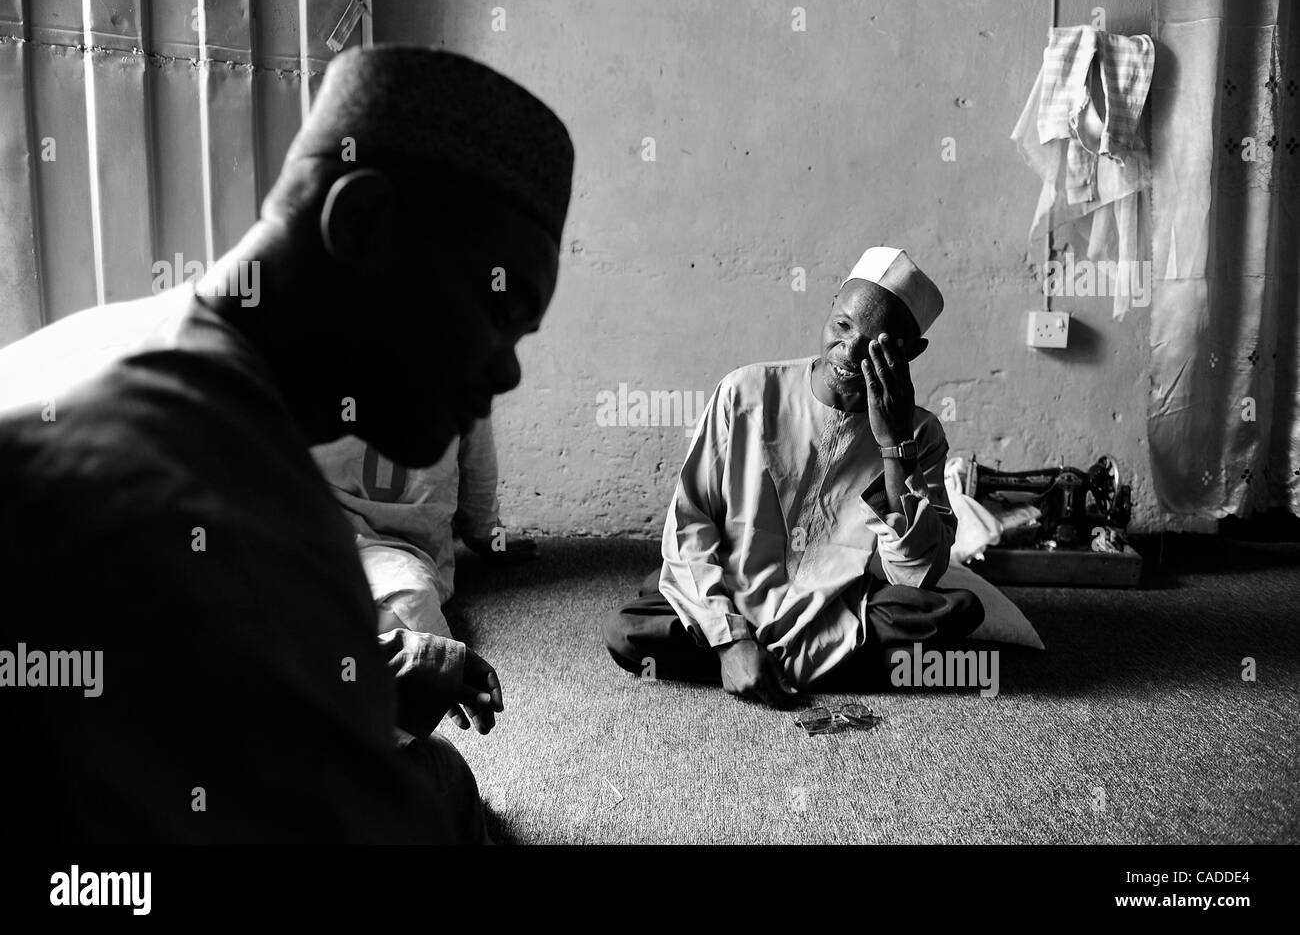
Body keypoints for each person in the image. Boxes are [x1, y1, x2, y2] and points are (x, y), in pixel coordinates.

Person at [0, 45, 573, 843]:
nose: (508, 371)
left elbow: (181, 664)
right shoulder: (230, 505)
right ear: (362, 221)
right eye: (501, 312)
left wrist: (401, 664)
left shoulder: (104, 344)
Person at [602, 247, 984, 707]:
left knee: (952, 611)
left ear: (911, 352)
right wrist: (730, 639)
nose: (849, 351)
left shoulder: (919, 433)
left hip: (843, 604)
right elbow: (691, 520)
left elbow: (914, 574)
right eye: (843, 326)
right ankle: (771, 656)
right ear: (830, 307)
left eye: (877, 343)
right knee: (629, 628)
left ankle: (754, 660)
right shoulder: (744, 391)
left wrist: (893, 446)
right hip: (744, 583)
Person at [312, 421, 537, 733]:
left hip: (402, 549)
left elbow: (478, 470)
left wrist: (489, 538)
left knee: (413, 604)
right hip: (315, 528)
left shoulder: (459, 380)